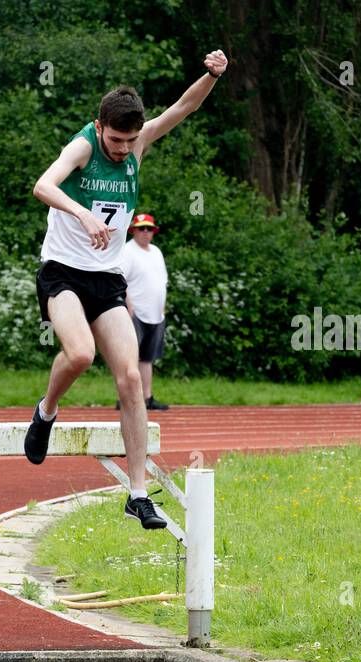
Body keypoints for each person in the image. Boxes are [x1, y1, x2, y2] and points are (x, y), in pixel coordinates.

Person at [25, 50, 228, 529]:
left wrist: (212, 76)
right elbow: (42, 185)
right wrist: (82, 213)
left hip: (106, 278)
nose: (122, 149)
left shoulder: (137, 144)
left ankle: (137, 493)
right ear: (100, 127)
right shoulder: (83, 148)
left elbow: (182, 109)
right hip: (63, 271)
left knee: (132, 379)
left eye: (129, 141)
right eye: (115, 140)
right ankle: (46, 410)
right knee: (79, 355)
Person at [120, 212, 170, 410]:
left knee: (147, 358)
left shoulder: (156, 252)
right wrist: (128, 304)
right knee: (129, 357)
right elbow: (120, 279)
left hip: (156, 314)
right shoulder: (128, 251)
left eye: (149, 229)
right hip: (136, 312)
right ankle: (125, 397)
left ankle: (146, 398)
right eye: (142, 228)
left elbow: (162, 281)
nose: (145, 232)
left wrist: (162, 305)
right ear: (134, 230)